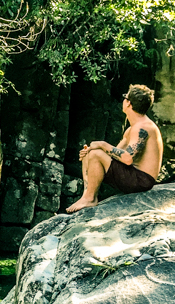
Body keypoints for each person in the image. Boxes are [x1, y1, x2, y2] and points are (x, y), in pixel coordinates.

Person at [66, 84, 163, 214]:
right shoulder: (133, 128)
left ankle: (90, 198)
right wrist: (89, 152)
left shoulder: (142, 128)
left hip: (142, 180)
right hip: (135, 176)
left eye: (125, 97)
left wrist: (102, 145)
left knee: (96, 154)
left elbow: (127, 158)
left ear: (128, 103)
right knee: (91, 153)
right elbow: (115, 154)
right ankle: (86, 196)